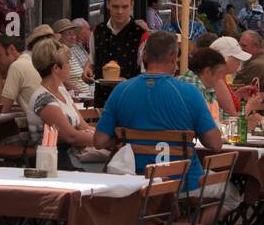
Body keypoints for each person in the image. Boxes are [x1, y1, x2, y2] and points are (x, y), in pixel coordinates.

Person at [93, 31, 225, 191]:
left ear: (145, 56)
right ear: (172, 57)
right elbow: (215, 144)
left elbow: (99, 141)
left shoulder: (121, 90)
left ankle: (169, 217)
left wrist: (123, 139)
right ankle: (184, 218)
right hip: (185, 184)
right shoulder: (189, 93)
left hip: (136, 183)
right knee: (231, 193)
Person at [27, 39, 96, 167]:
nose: (70, 66)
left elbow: (84, 127)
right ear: (56, 68)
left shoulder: (61, 91)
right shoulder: (43, 99)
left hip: (72, 155)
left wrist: (107, 136)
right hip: (54, 161)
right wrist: (106, 140)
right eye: (67, 62)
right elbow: (71, 136)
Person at [85, 0, 148, 81]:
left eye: (125, 7)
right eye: (115, 6)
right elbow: (92, 61)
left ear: (132, 4)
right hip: (102, 94)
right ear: (107, 4)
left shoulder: (141, 35)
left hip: (129, 94)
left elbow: (146, 73)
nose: (120, 11)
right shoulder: (97, 32)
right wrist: (87, 70)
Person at [1, 26, 59, 129]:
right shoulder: (51, 66)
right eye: (52, 44)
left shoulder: (50, 66)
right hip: (47, 128)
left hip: (47, 128)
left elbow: (3, 109)